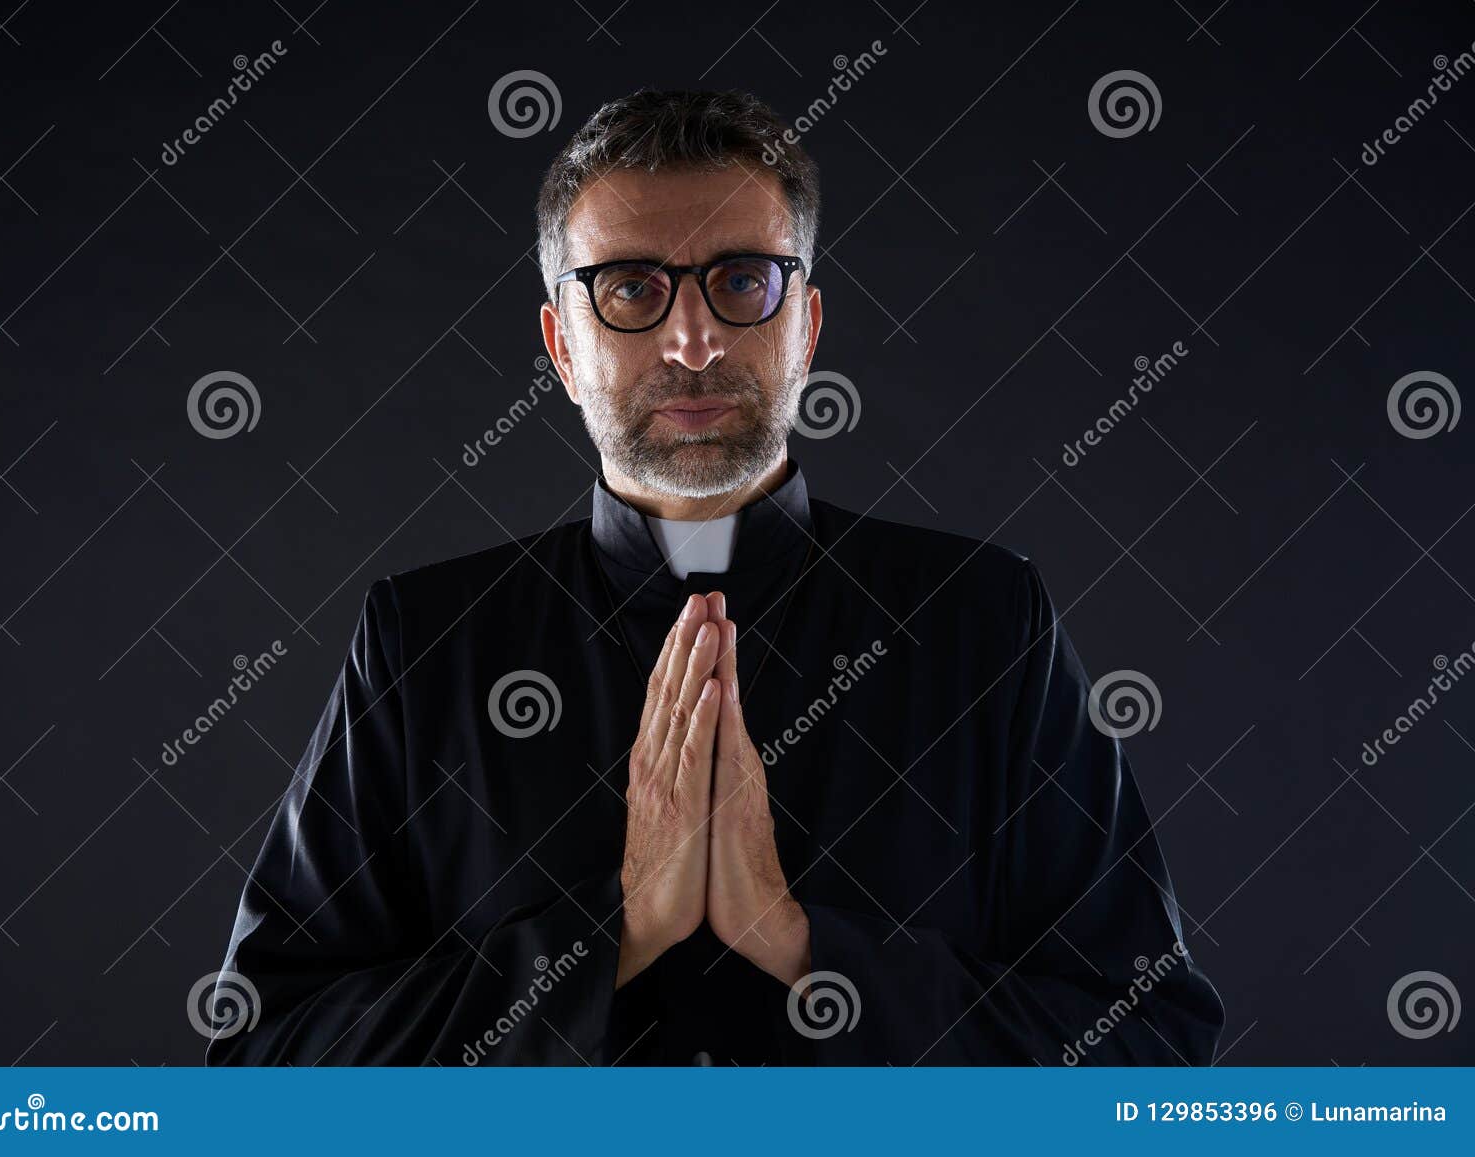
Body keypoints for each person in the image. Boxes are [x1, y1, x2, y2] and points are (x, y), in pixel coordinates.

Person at [206, 89, 1224, 1066]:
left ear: (806, 325)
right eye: (632, 288)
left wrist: (795, 942)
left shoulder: (980, 619)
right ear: (562, 344)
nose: (691, 342)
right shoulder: (425, 637)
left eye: (741, 280)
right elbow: (262, 1054)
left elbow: (1147, 1050)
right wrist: (615, 929)